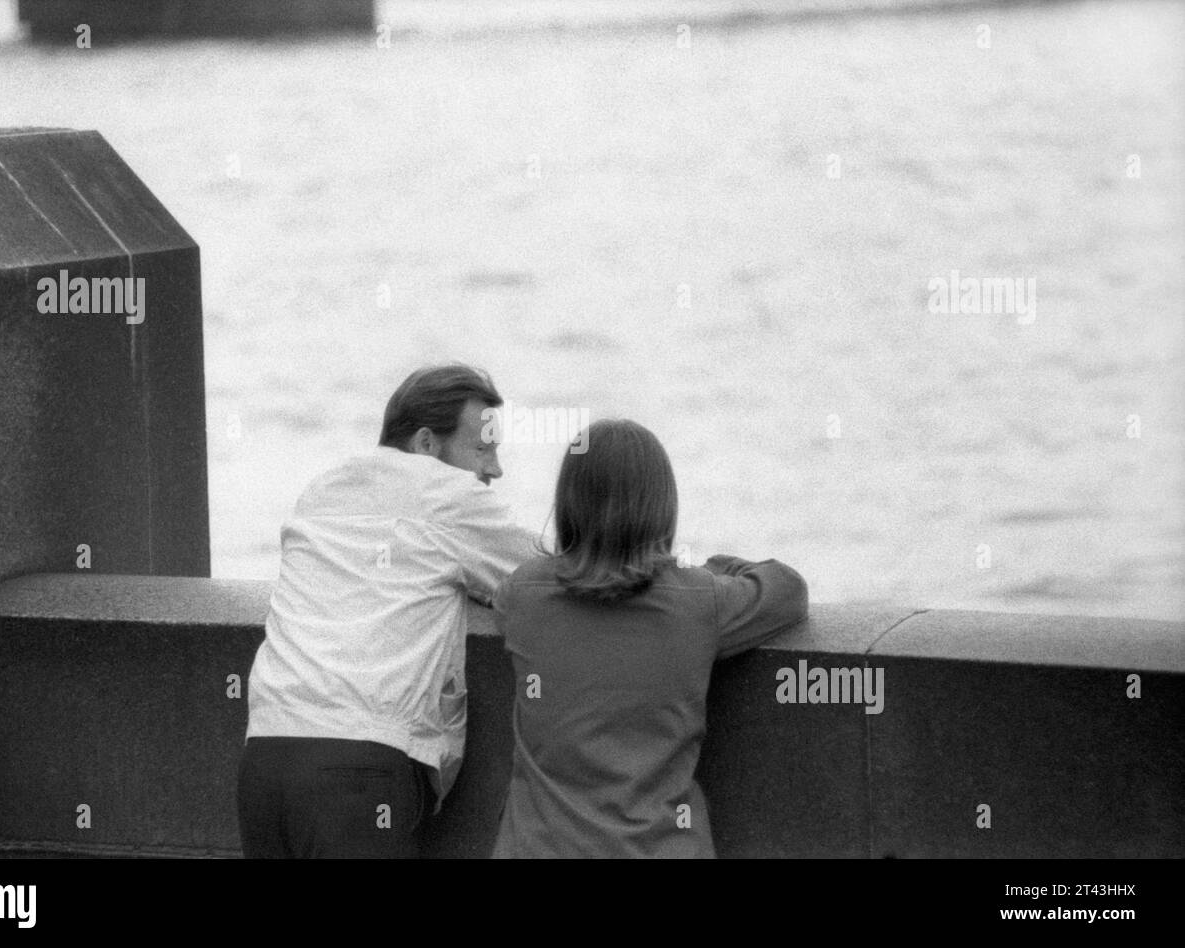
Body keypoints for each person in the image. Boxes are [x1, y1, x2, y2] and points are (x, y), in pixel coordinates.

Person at [237, 364, 538, 858]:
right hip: (356, 772)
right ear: (426, 445)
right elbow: (555, 576)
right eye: (482, 449)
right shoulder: (446, 494)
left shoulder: (322, 489)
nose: (495, 469)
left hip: (265, 761)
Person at [490, 418, 808, 858]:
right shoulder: (699, 602)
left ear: (568, 503)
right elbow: (788, 589)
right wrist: (718, 566)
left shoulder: (522, 595)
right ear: (661, 506)